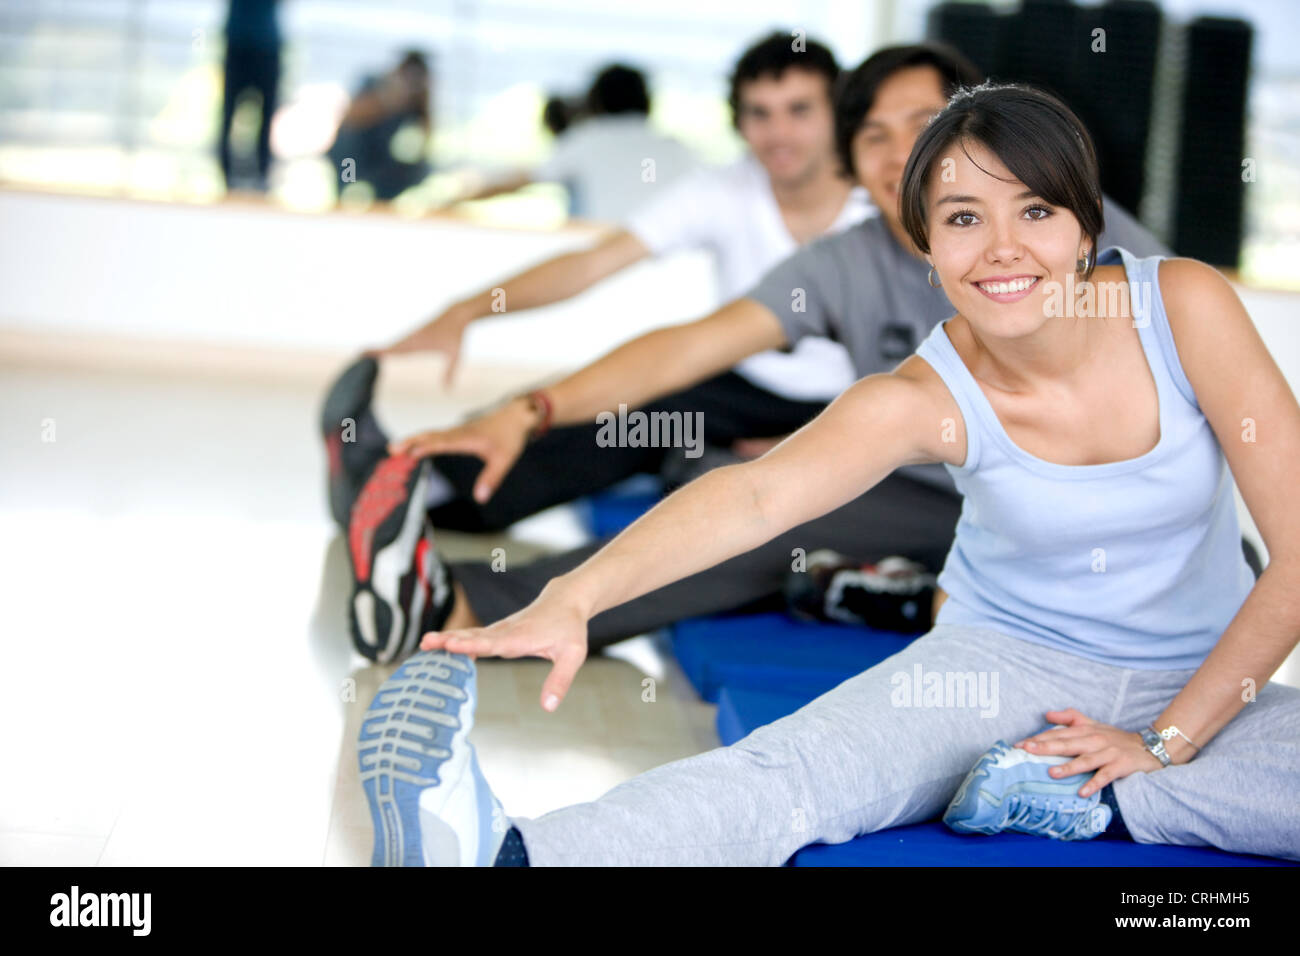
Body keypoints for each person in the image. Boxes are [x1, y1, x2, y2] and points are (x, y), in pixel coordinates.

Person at [356, 81, 1300, 867]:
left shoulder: (1182, 307)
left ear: (1087, 227)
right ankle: (506, 852)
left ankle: (1085, 796)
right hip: (1001, 665)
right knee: (798, 774)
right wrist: (575, 594)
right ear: (927, 246)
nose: (1004, 247)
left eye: (1037, 210)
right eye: (964, 218)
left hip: (1213, 670)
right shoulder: (922, 395)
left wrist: (1160, 744)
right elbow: (753, 496)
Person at [330, 44, 1168, 666]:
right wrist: (528, 408)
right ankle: (457, 597)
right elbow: (689, 346)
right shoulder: (844, 258)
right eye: (870, 135)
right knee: (746, 501)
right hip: (924, 487)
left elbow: (1183, 358)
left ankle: (899, 589)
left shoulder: (1067, 218)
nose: (894, 153)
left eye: (923, 125)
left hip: (1083, 501)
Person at [453, 64, 698, 223]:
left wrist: (450, 201)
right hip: (671, 265)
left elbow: (515, 181)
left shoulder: (587, 139)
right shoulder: (678, 148)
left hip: (600, 256)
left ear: (596, 102)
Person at [327, 51, 432, 202]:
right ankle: (346, 198)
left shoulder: (414, 101)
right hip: (352, 157)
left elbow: (425, 141)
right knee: (347, 158)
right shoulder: (374, 82)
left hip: (379, 161)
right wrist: (389, 98)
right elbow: (351, 118)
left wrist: (424, 105)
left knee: (420, 168)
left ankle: (381, 202)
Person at [218, 0, 282, 191]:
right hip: (241, 42)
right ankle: (227, 176)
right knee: (229, 114)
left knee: (265, 117)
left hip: (264, 44)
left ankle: (261, 175)